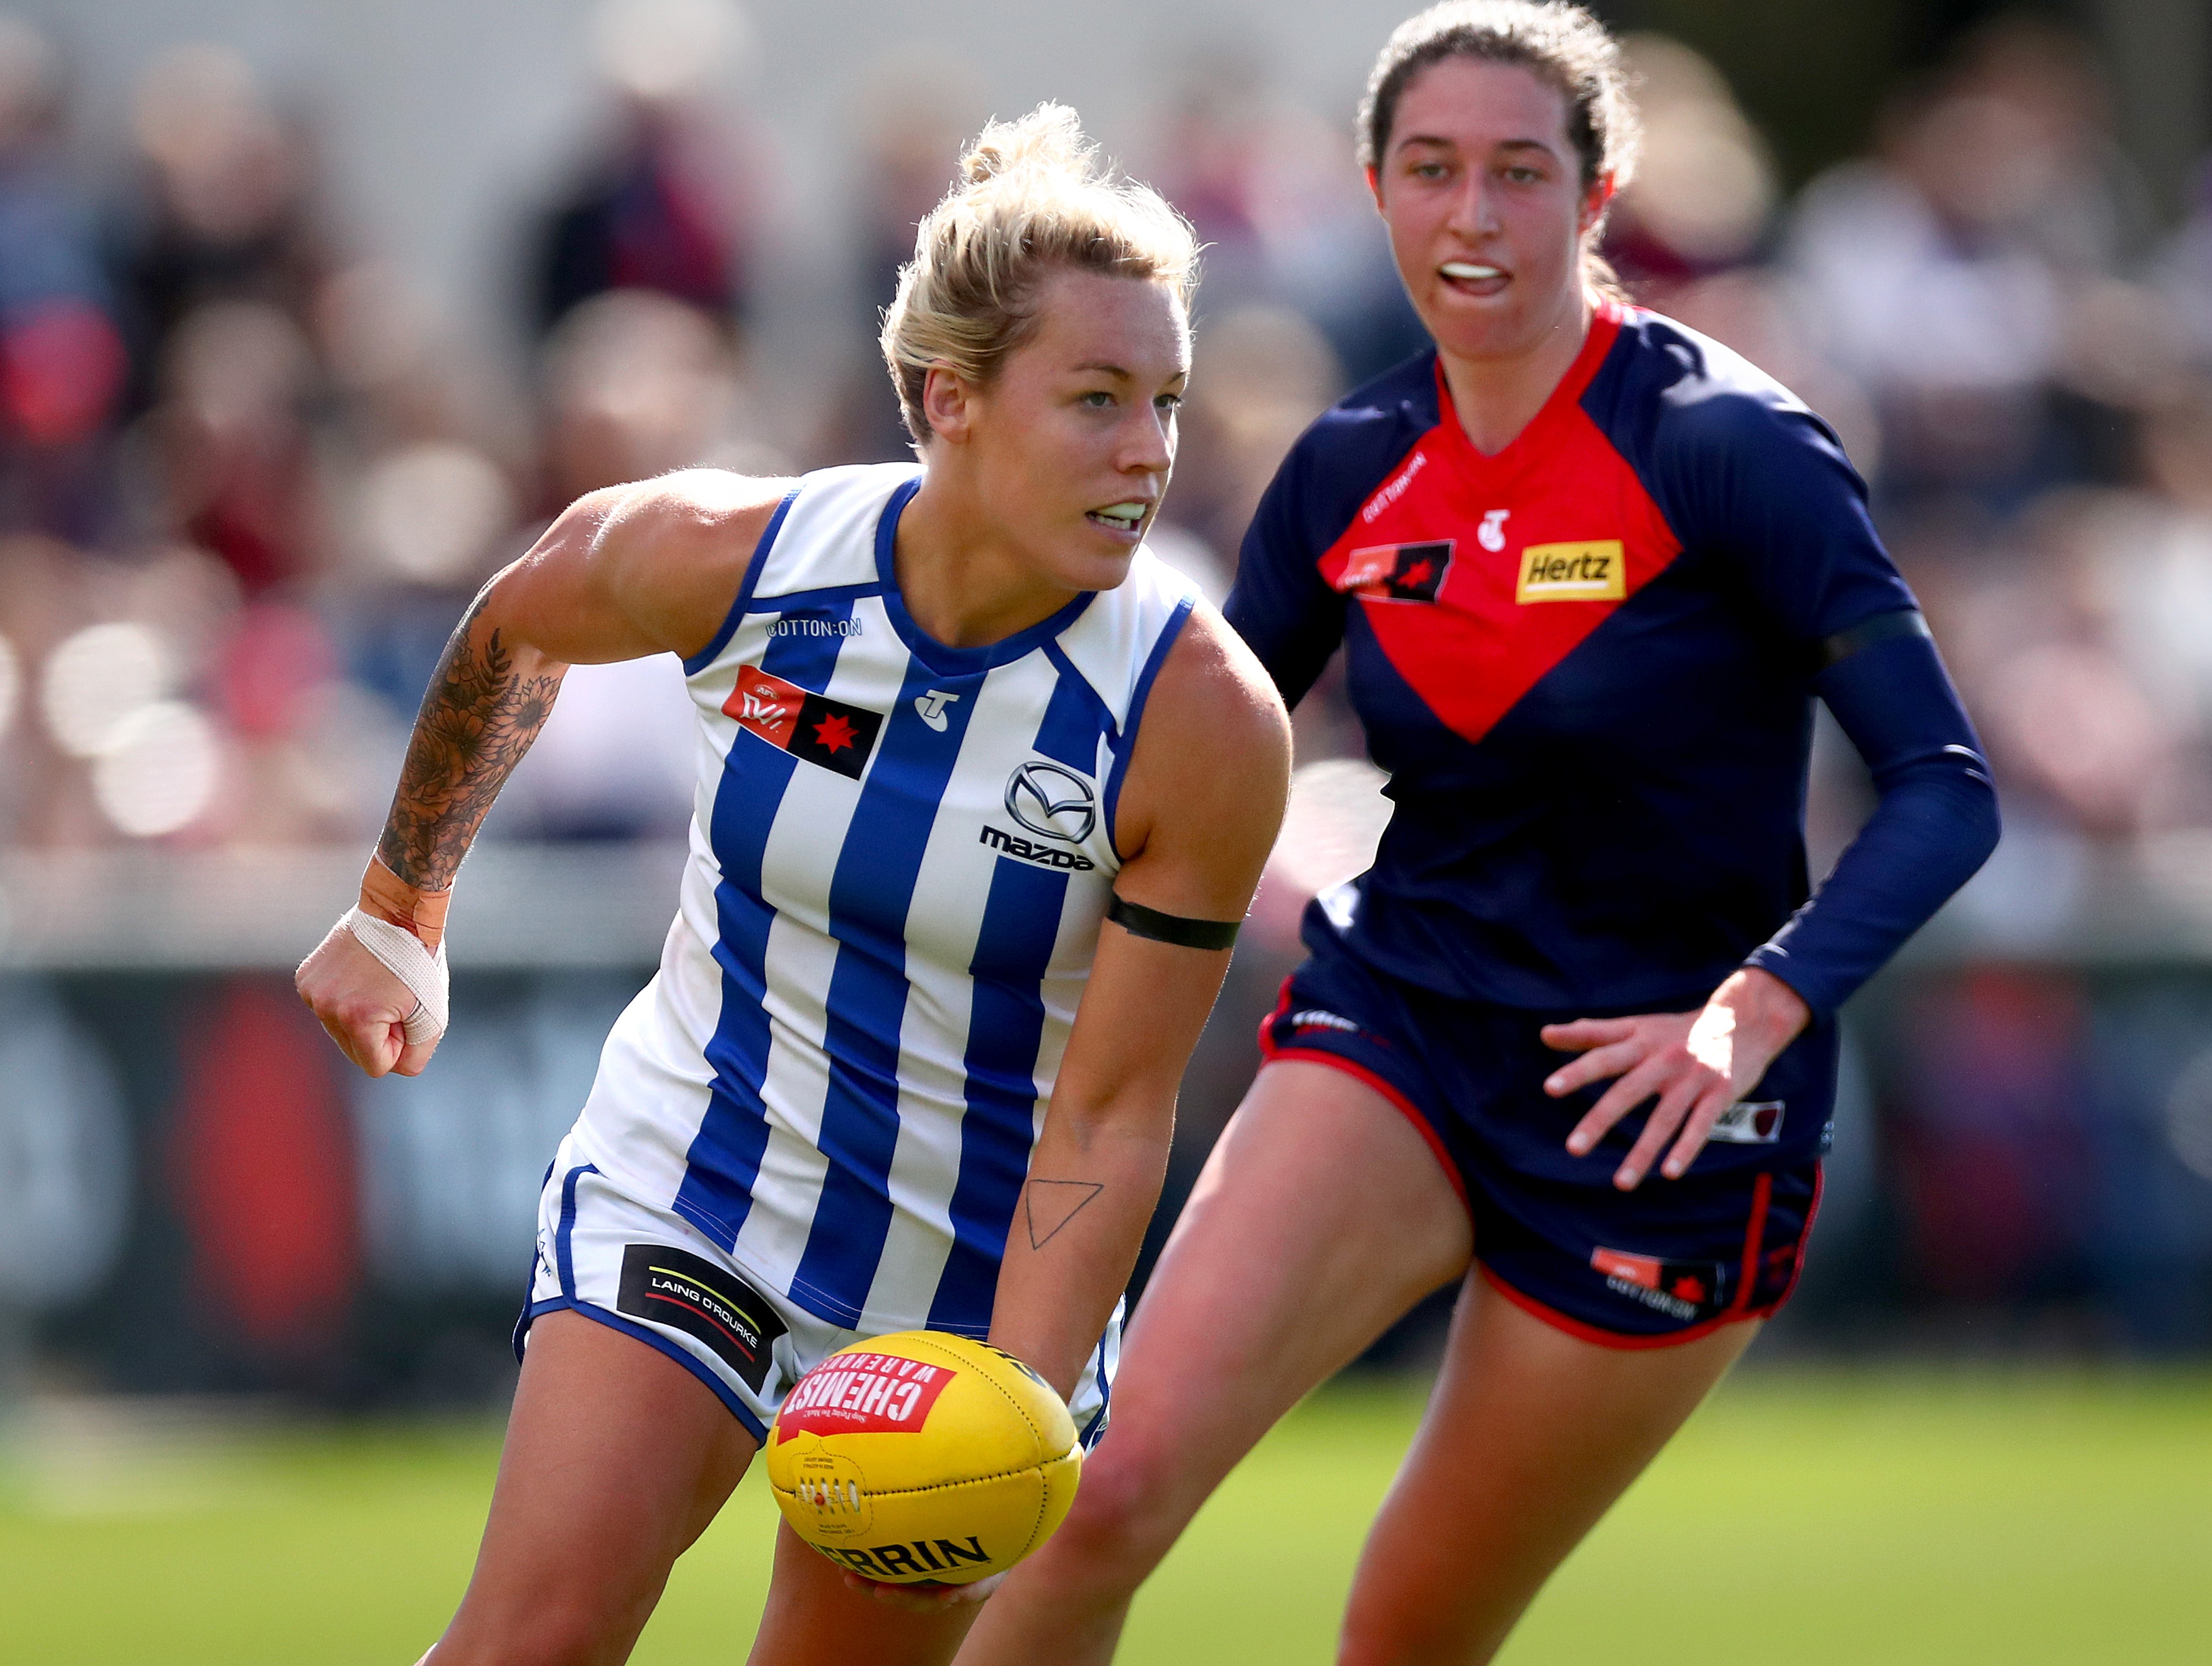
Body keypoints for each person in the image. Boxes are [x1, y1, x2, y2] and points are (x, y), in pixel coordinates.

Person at [957, 6, 2000, 1665]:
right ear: (1375, 189)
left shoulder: (1726, 445)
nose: (1473, 214)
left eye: (1518, 172)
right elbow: (1189, 756)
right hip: (1405, 1020)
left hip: (1657, 1109)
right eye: (1431, 170)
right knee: (1096, 1494)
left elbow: (1944, 787)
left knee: (1408, 1633)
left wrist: (1752, 1010)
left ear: (1597, 194)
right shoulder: (1349, 467)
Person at [294, 105, 1288, 1666]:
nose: (1148, 451)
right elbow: (519, 622)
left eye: (1162, 401)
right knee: (531, 1642)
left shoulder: (1200, 716)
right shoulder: (736, 559)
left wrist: (1017, 1399)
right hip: (695, 1182)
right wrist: (397, 906)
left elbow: (1110, 1110)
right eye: (1096, 399)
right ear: (949, 399)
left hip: (969, 1281)